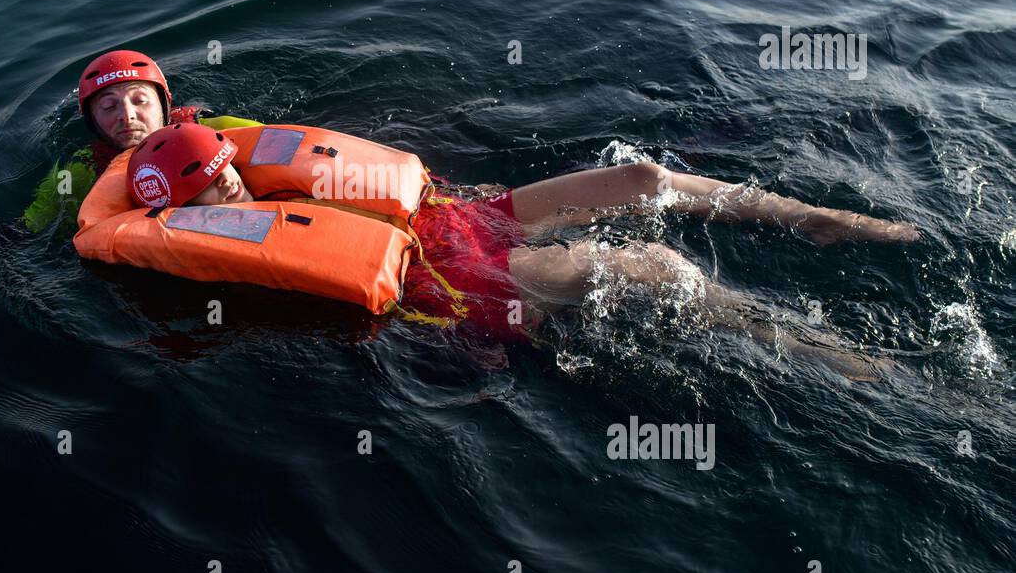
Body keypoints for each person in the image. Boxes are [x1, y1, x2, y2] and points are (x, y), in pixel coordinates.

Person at [123, 122, 918, 375]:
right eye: (205, 190)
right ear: (178, 208)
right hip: (453, 278)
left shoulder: (259, 168)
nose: (226, 187)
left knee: (639, 177)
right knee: (654, 268)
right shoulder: (212, 256)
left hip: (458, 218)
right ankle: (839, 357)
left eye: (224, 172)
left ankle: (817, 217)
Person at [0, 50, 260, 323]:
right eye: (108, 107)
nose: (126, 116)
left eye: (139, 100)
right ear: (92, 122)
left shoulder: (212, 130)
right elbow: (19, 235)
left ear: (164, 105)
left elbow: (300, 147)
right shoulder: (78, 173)